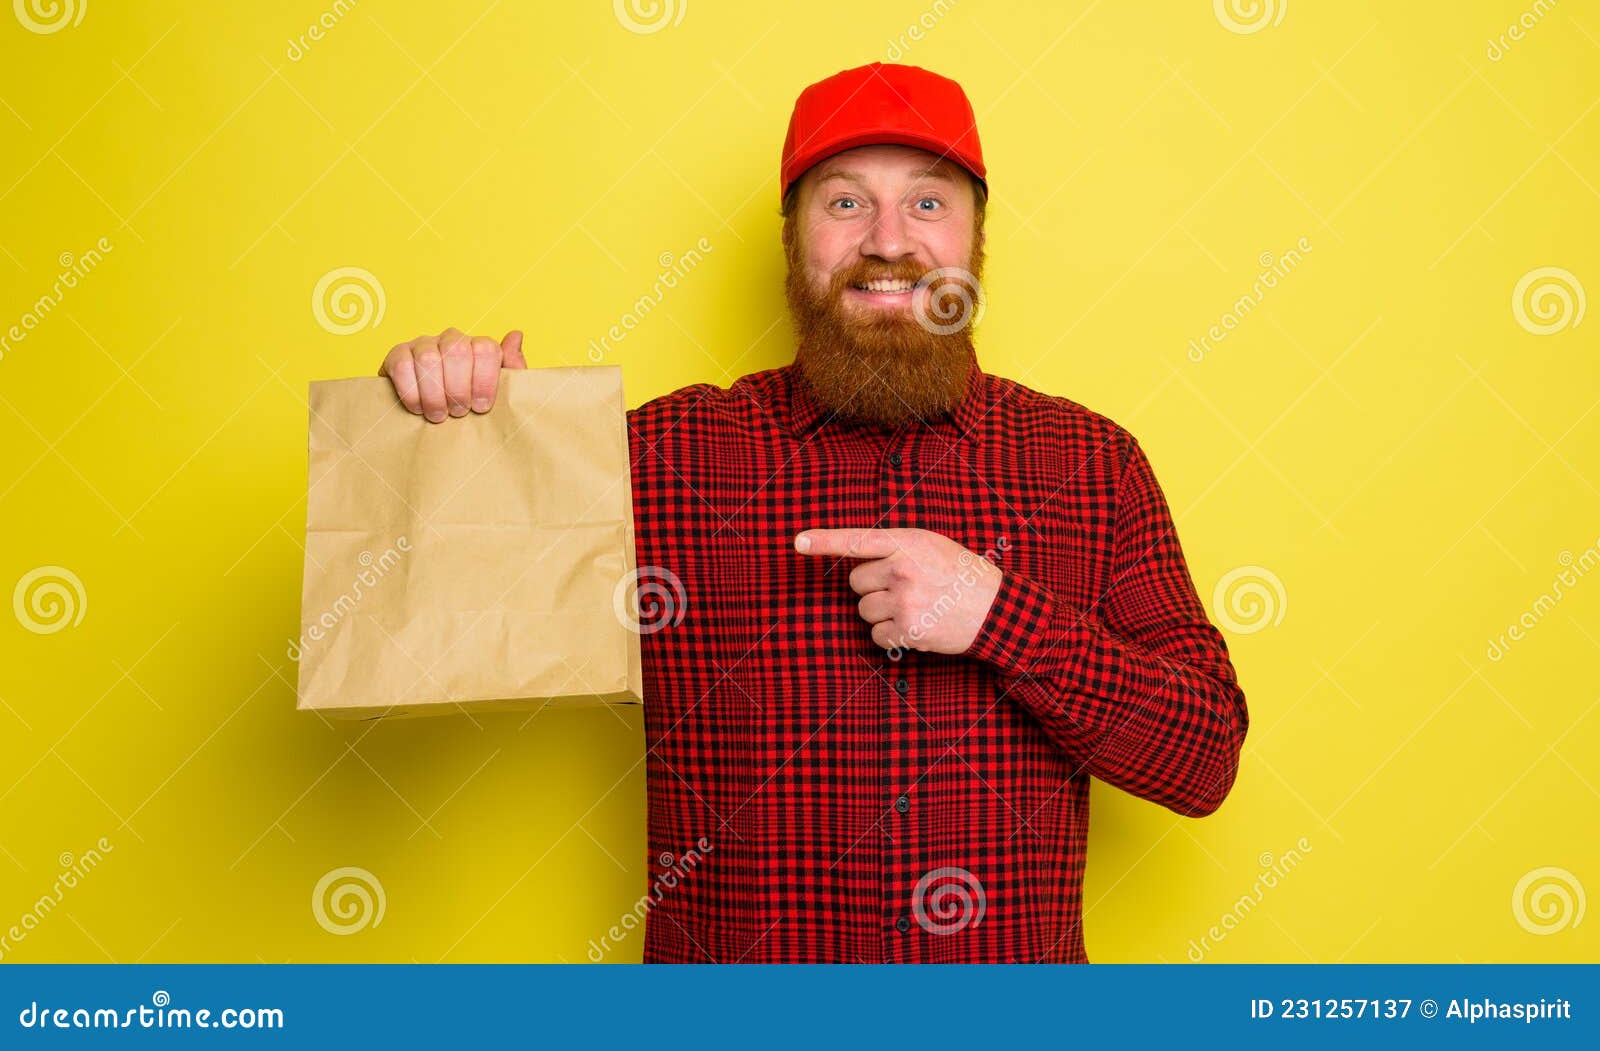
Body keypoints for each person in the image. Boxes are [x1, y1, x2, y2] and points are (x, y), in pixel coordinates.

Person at [377, 61, 1249, 962]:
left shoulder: (1089, 464)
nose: (887, 242)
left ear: (976, 239)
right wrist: (460, 425)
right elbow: (446, 617)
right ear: (794, 240)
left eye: (927, 203)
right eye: (843, 204)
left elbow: (1205, 758)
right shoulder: (661, 456)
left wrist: (1000, 617)